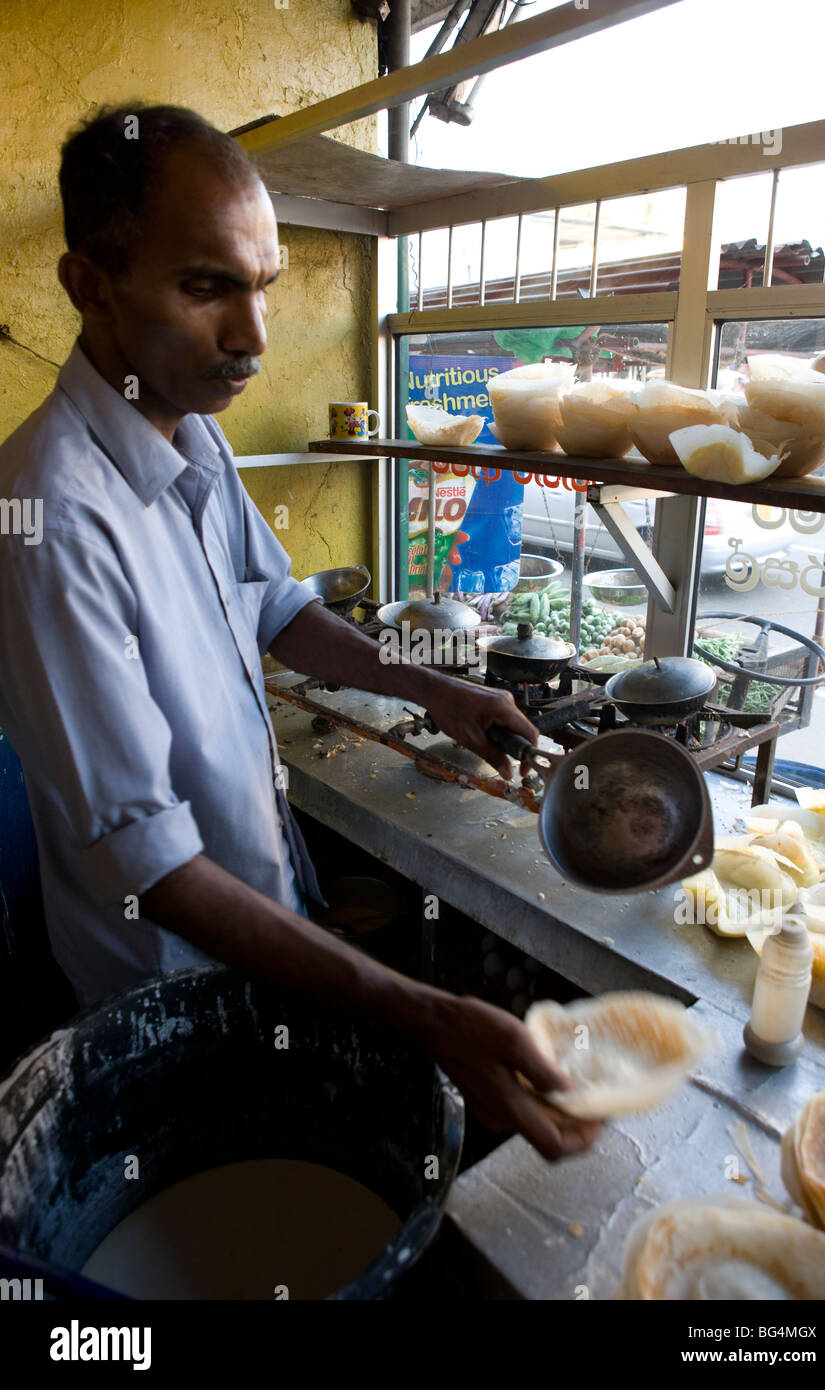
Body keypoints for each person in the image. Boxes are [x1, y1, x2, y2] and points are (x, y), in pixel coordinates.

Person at [0, 104, 599, 1162]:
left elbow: (278, 608)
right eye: (205, 288)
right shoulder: (48, 515)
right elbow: (151, 863)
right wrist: (417, 1009)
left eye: (262, 285)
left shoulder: (188, 433)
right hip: (167, 995)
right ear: (90, 285)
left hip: (265, 926)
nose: (254, 337)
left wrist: (438, 684)